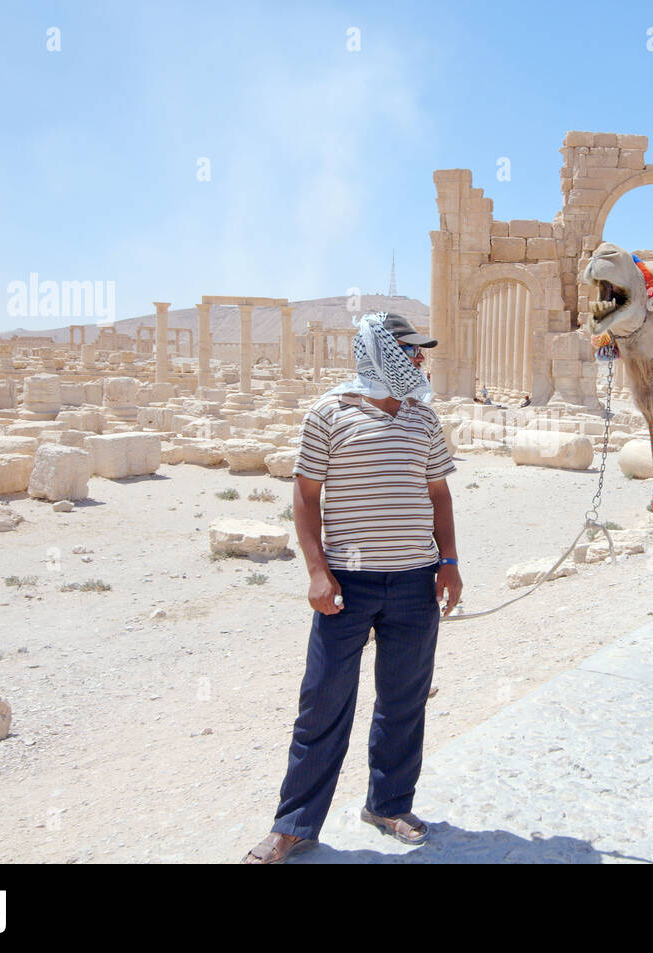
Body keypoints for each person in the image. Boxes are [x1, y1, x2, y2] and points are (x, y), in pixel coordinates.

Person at [242, 312, 463, 863]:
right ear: (380, 353)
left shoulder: (422, 418)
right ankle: (293, 824)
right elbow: (305, 495)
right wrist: (317, 571)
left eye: (421, 352)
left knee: (405, 698)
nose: (420, 360)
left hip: (416, 581)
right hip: (348, 584)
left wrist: (450, 561)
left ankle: (388, 803)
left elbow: (438, 494)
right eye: (411, 351)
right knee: (323, 701)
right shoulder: (328, 414)